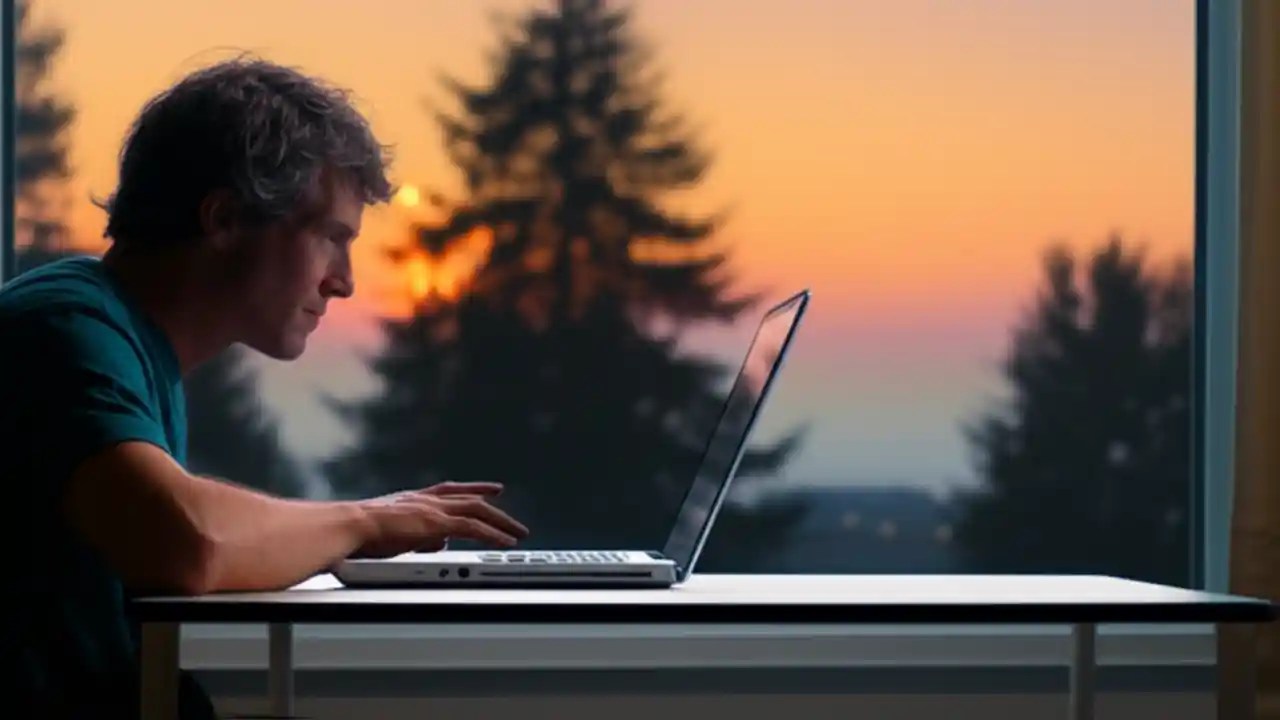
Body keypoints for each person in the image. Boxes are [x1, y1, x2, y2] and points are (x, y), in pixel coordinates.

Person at [0, 56, 529, 718]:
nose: (344, 281)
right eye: (329, 239)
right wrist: (366, 520)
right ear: (224, 220)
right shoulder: (64, 331)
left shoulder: (120, 339)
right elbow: (184, 541)